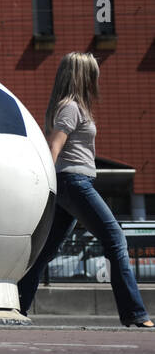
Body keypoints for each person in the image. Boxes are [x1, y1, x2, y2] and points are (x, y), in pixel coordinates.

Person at [18, 52, 153, 327]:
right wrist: (43, 184)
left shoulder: (75, 106)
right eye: (92, 73)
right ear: (81, 75)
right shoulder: (71, 107)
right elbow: (53, 147)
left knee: (44, 252)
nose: (96, 78)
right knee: (115, 238)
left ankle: (16, 307)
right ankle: (135, 314)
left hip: (72, 183)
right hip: (73, 182)